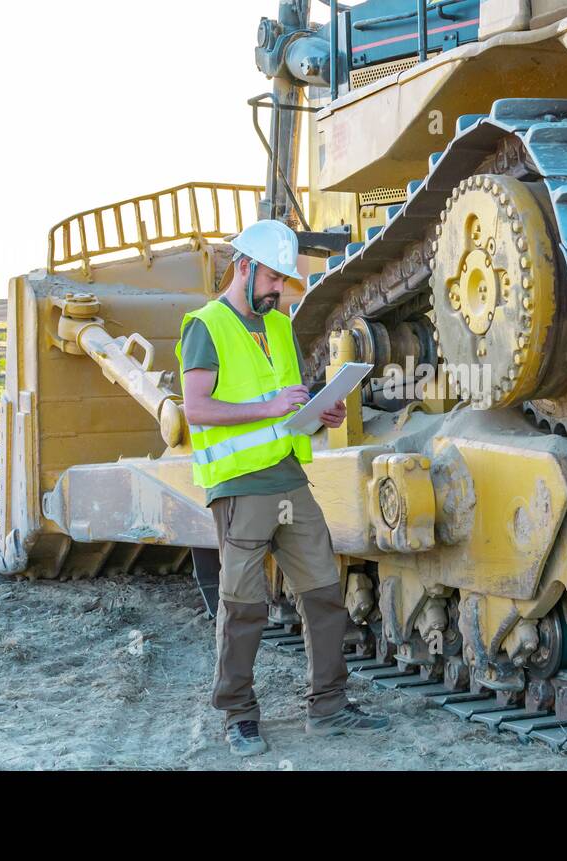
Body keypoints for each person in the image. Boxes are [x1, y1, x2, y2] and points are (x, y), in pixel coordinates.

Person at [176, 219, 389, 756]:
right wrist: (267, 409)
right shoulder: (206, 325)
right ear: (244, 267)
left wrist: (321, 414)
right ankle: (239, 715)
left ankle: (330, 706)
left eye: (283, 280)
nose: (279, 289)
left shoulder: (277, 327)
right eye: (273, 277)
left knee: (324, 594)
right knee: (243, 605)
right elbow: (197, 408)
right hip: (240, 488)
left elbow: (287, 410)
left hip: (291, 482)